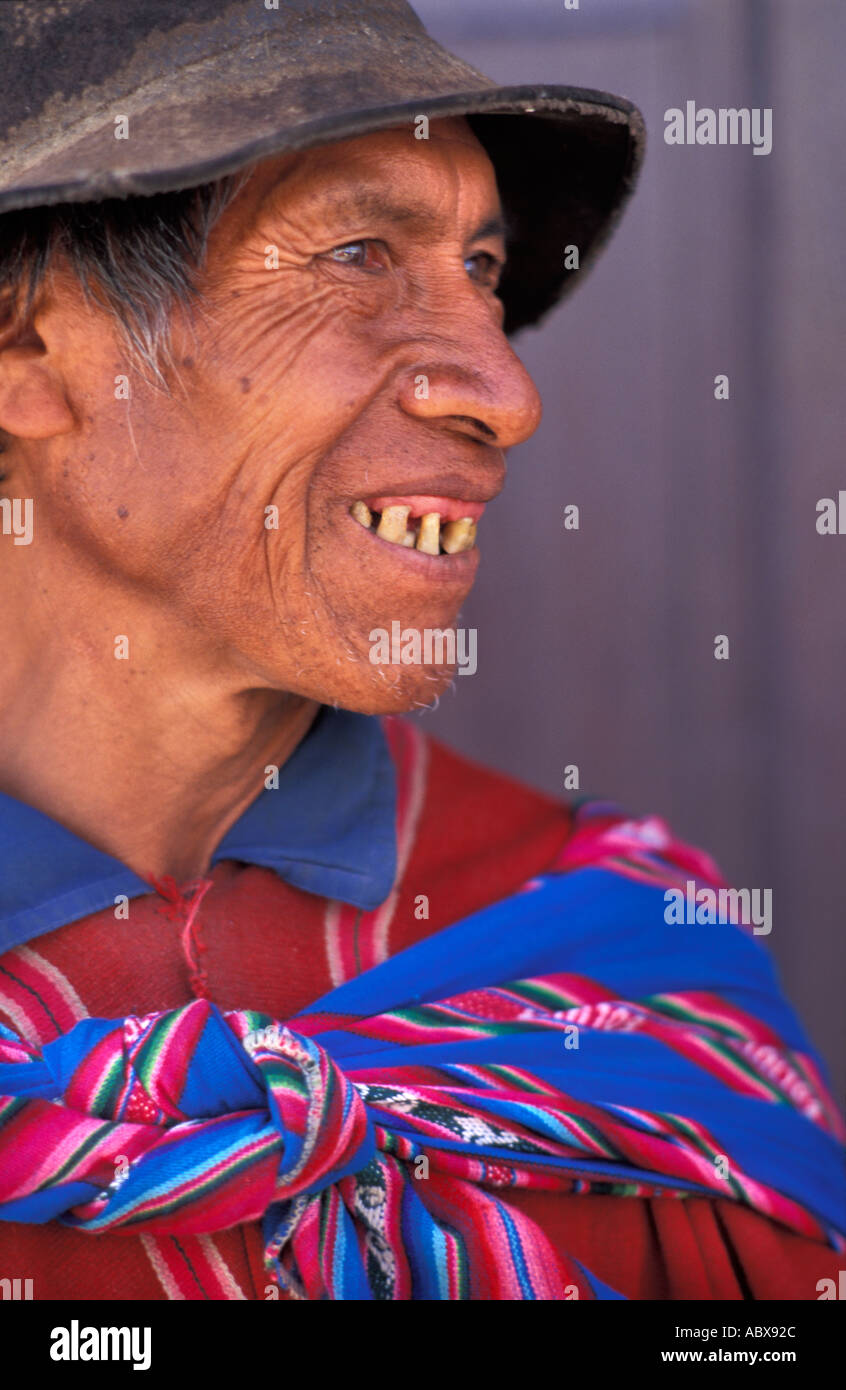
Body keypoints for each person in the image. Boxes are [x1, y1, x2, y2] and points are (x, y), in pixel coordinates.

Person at [0, 0, 842, 1301]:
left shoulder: (614, 973)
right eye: (353, 252)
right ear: (28, 343)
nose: (506, 392)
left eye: (483, 273)